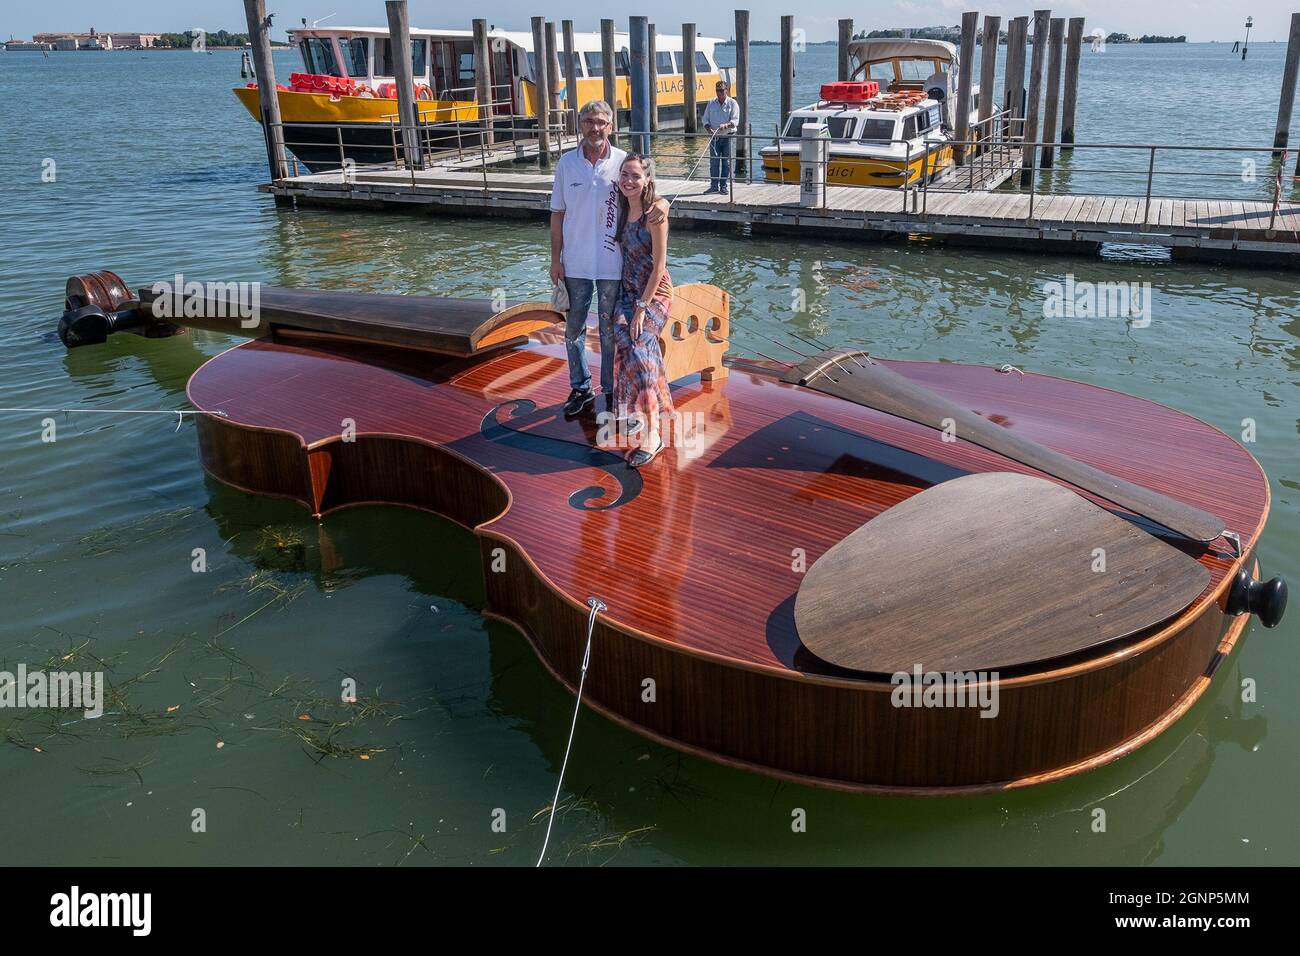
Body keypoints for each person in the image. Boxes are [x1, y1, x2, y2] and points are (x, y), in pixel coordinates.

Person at [549, 100, 664, 417]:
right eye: (589, 121)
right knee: (574, 330)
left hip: (613, 265)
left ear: (611, 126)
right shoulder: (566, 164)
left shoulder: (622, 162)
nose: (595, 127)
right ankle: (581, 387)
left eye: (601, 122)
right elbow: (557, 214)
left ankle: (611, 390)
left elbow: (648, 188)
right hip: (575, 263)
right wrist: (555, 259)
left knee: (609, 331)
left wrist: (664, 204)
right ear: (580, 124)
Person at [610, 154, 675, 467]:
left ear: (648, 179)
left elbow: (659, 268)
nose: (629, 181)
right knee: (622, 337)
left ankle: (654, 433)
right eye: (625, 174)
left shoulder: (655, 214)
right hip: (627, 292)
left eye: (636, 176)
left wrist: (641, 308)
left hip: (654, 294)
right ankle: (632, 412)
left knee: (640, 346)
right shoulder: (622, 207)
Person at [701, 80, 740, 194]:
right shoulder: (711, 103)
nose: (720, 93)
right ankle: (714, 186)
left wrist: (726, 125)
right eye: (718, 91)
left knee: (726, 162)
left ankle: (723, 186)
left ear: (726, 90)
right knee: (714, 163)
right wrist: (709, 129)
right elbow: (705, 120)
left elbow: (735, 121)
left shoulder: (733, 103)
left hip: (728, 136)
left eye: (722, 90)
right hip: (715, 137)